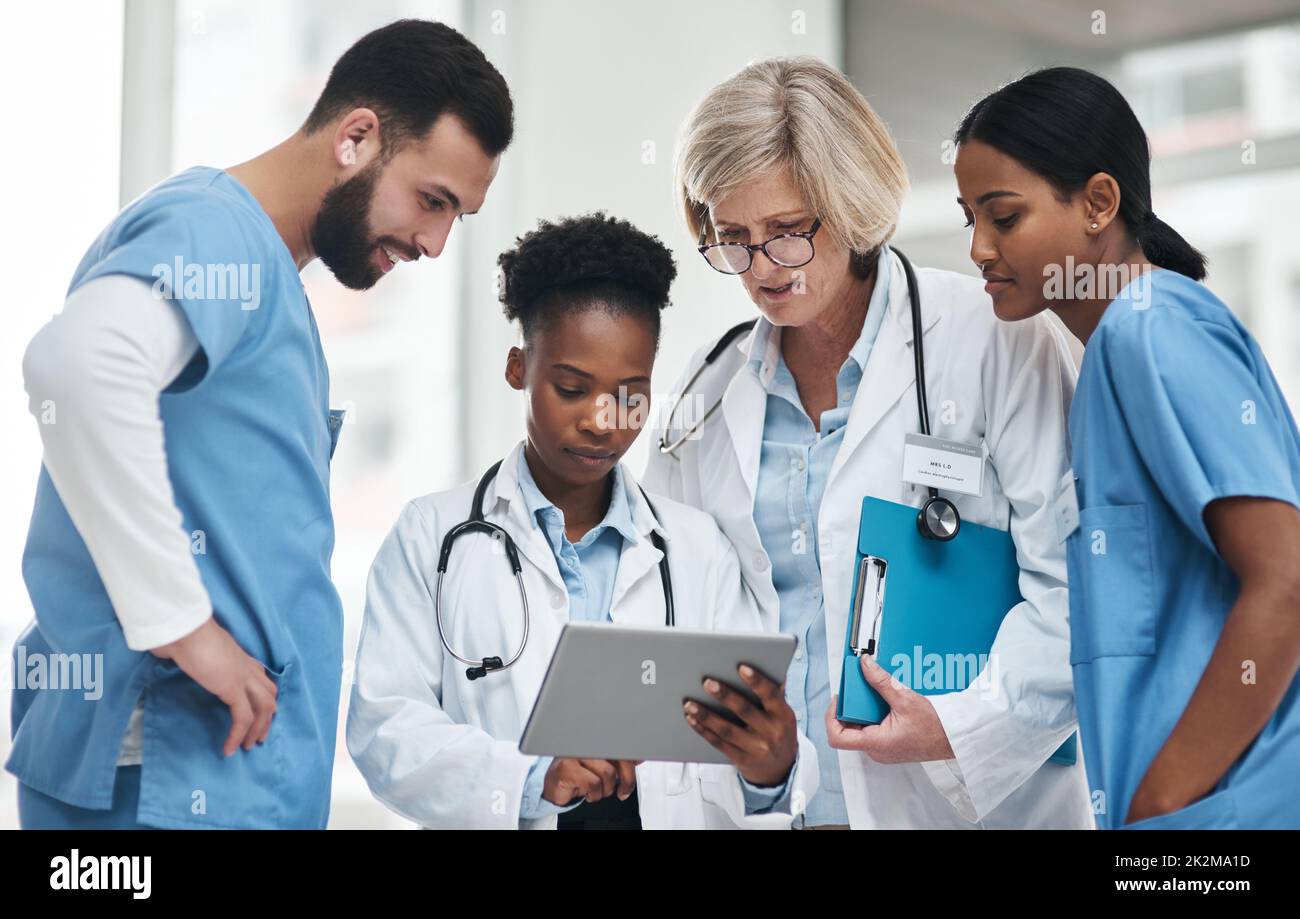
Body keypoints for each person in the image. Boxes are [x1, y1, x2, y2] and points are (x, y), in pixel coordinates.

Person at [11, 19, 513, 829]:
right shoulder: (217, 233)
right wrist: (183, 625)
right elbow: (76, 366)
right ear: (356, 137)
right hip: (171, 776)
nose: (433, 241)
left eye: (457, 216)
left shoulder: (267, 276)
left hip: (219, 779)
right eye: (432, 200)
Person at [644, 57, 1093, 828]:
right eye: (734, 239)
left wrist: (959, 728)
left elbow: (1079, 592)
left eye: (786, 232)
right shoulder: (705, 394)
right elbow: (676, 624)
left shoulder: (994, 340)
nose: (761, 269)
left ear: (847, 202)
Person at [346, 213, 819, 829]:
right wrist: (531, 780)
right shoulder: (429, 535)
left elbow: (743, 764)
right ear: (519, 368)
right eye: (571, 388)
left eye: (630, 393)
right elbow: (386, 729)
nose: (603, 420)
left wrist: (773, 768)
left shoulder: (698, 549)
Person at [953, 66, 1300, 829]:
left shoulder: (1150, 331)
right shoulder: (1111, 353)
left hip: (1228, 815)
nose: (978, 248)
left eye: (1003, 217)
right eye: (968, 217)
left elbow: (1287, 579)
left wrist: (1162, 802)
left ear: (1099, 202)